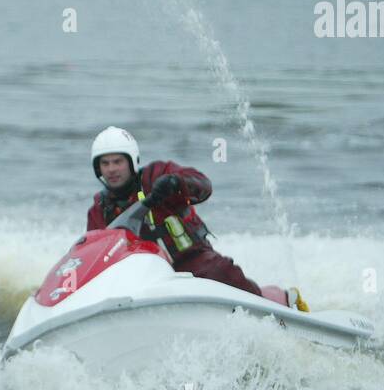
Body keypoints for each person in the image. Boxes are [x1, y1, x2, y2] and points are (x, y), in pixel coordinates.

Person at [85, 126, 308, 311]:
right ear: (98, 169)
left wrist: (176, 183)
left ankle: (274, 305)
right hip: (143, 277)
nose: (112, 169)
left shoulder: (157, 174)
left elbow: (203, 185)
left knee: (221, 272)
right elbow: (94, 255)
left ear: (131, 162)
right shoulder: (98, 209)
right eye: (105, 164)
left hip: (190, 260)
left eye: (117, 162)